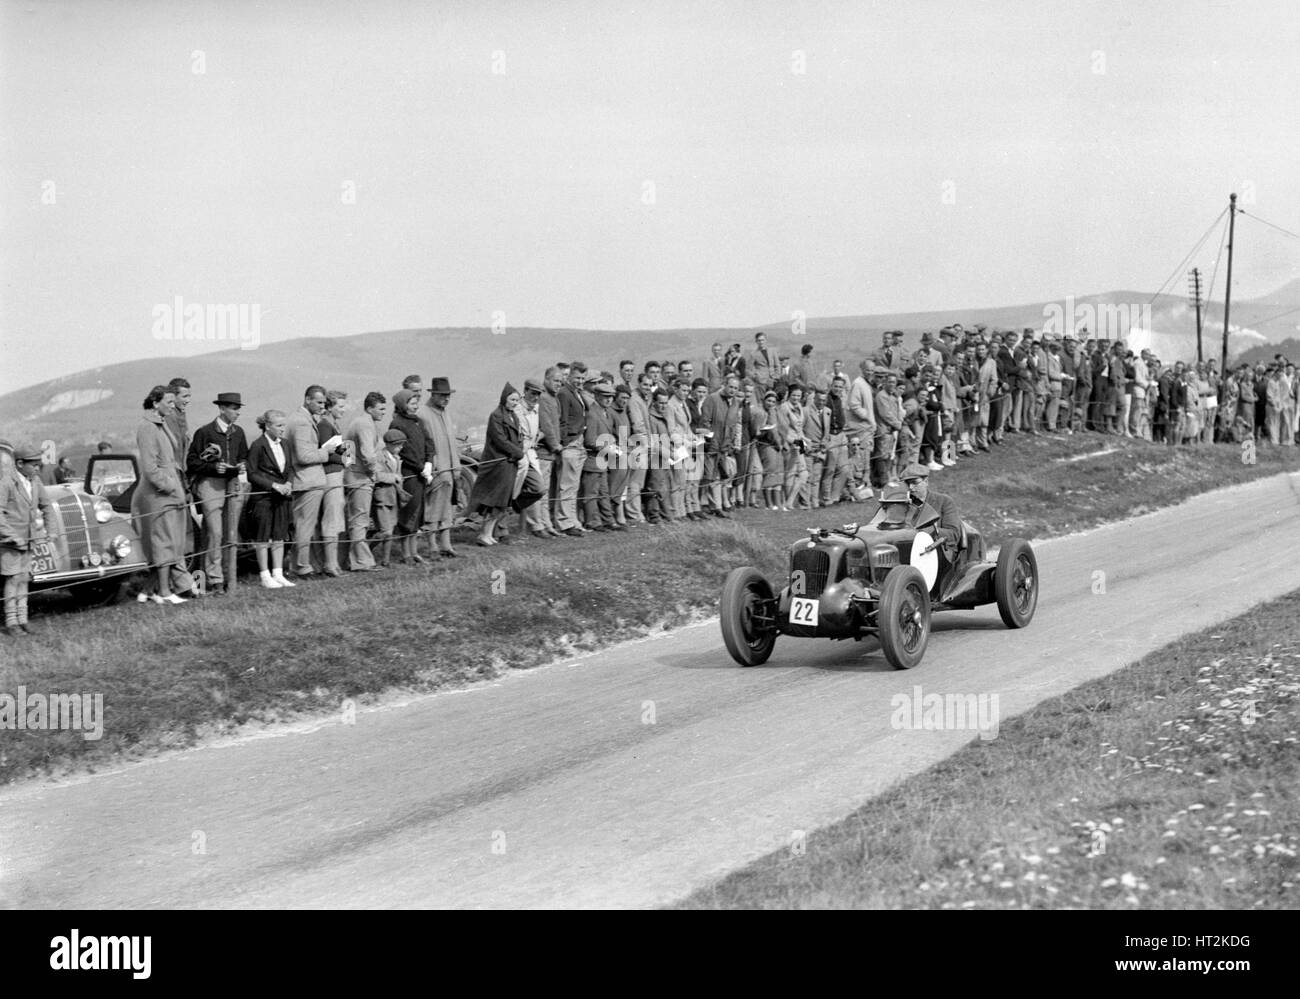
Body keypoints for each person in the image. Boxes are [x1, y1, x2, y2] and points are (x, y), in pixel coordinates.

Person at [187, 391, 250, 595]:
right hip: (211, 484)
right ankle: (215, 579)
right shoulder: (204, 432)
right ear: (221, 409)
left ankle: (215, 577)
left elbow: (244, 456)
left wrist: (241, 465)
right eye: (233, 408)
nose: (237, 412)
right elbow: (192, 462)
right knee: (215, 531)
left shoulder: (239, 432)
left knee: (226, 532)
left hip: (232, 484)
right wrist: (214, 469)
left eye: (238, 409)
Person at [132, 385, 190, 604]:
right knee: (163, 542)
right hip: (158, 495)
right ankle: (164, 592)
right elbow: (150, 468)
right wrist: (170, 486)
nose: (172, 406)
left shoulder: (160, 425)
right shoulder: (147, 427)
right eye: (168, 402)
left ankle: (147, 591)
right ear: (156, 403)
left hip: (168, 493)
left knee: (171, 541)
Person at [285, 385, 345, 577]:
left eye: (323, 402)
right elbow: (304, 455)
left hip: (309, 479)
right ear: (307, 399)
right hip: (307, 479)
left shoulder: (302, 420)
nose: (322, 406)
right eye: (318, 402)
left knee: (306, 525)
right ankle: (301, 566)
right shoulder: (302, 422)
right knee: (305, 525)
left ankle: (303, 564)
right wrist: (325, 452)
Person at [1, 445, 53, 636]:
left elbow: (47, 506)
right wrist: (11, 536)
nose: (38, 469)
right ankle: (11, 622)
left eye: (39, 465)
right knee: (13, 579)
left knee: (24, 579)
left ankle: (23, 620)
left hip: (30, 540)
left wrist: (51, 530)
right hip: (10, 543)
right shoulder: (7, 482)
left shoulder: (35, 481)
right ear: (20, 464)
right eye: (34, 465)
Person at [243, 410, 297, 588]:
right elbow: (251, 474)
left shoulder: (286, 444)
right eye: (279, 425)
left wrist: (288, 483)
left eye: (284, 425)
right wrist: (274, 486)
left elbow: (290, 468)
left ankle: (278, 572)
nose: (283, 429)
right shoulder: (258, 445)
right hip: (263, 498)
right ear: (268, 426)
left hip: (282, 498)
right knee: (263, 537)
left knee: (279, 535)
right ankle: (265, 575)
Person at [469, 383, 528, 544]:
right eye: (512, 399)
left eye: (517, 400)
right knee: (493, 500)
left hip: (509, 463)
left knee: (502, 502)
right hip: (498, 464)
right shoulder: (496, 416)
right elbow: (500, 440)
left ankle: (488, 533)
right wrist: (518, 453)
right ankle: (484, 533)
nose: (515, 403)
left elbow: (519, 438)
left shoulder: (513, 416)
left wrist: (518, 450)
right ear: (504, 399)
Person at [343, 391, 388, 572]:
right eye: (381, 409)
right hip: (360, 478)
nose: (384, 412)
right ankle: (362, 562)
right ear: (369, 409)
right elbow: (368, 455)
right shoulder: (365, 425)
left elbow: (349, 452)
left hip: (354, 476)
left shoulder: (359, 422)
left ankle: (353, 559)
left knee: (357, 519)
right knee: (359, 521)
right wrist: (375, 473)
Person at [389, 388, 433, 561]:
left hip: (422, 472)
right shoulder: (397, 423)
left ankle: (414, 552)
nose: (416, 407)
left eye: (416, 403)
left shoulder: (418, 422)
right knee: (409, 511)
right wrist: (421, 467)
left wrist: (429, 462)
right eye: (412, 404)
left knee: (419, 510)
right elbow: (405, 451)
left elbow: (429, 442)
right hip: (410, 473)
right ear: (403, 405)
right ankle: (406, 553)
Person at [423, 377, 461, 556]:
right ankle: (432, 545)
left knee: (447, 508)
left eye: (448, 395)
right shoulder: (424, 414)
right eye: (443, 395)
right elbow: (427, 444)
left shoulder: (445, 413)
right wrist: (434, 466)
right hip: (437, 470)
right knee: (434, 508)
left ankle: (446, 544)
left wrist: (456, 466)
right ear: (434, 394)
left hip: (450, 469)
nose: (446, 399)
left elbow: (451, 442)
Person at [900, 462, 962, 552]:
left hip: (937, 551)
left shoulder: (944, 501)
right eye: (907, 484)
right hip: (908, 550)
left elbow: (954, 534)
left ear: (926, 481)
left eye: (914, 482)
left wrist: (930, 531)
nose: (911, 487)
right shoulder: (901, 503)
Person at [371, 429, 407, 567]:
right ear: (389, 444)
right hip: (382, 498)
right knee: (384, 531)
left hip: (393, 498)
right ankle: (366, 550)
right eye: (398, 445)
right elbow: (376, 475)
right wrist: (393, 478)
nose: (401, 448)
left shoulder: (397, 458)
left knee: (390, 531)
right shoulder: (379, 457)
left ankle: (386, 560)